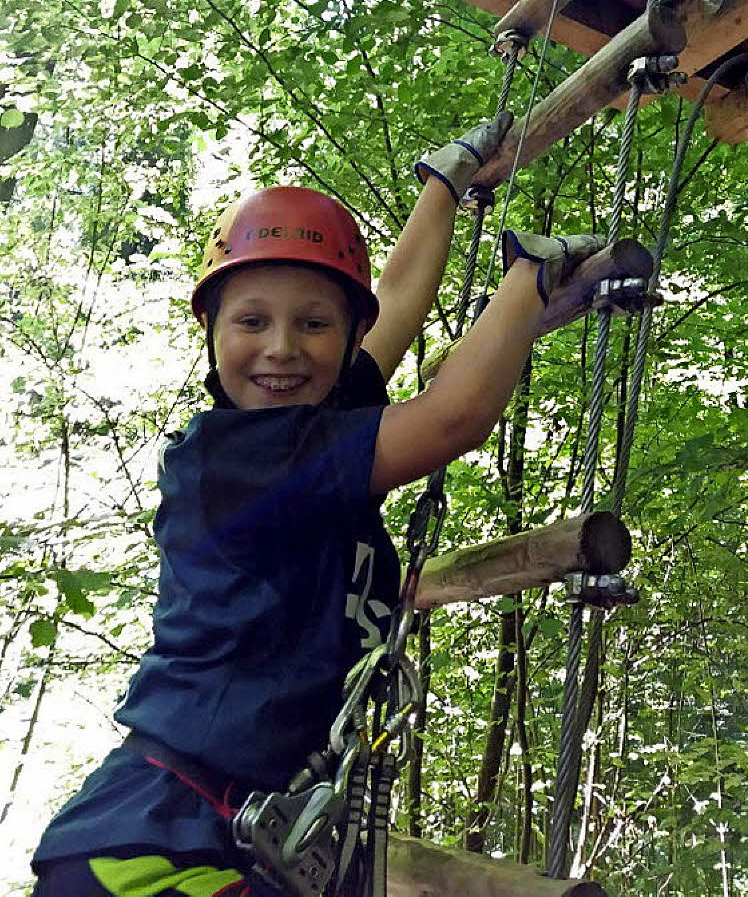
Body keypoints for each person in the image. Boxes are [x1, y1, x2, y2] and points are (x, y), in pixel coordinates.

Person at [30, 114, 606, 897]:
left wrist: (444, 183)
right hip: (158, 845)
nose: (281, 348)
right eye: (252, 321)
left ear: (345, 337)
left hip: (233, 843)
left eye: (313, 324)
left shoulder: (312, 430)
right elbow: (449, 418)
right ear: (210, 330)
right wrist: (527, 284)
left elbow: (394, 300)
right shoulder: (233, 459)